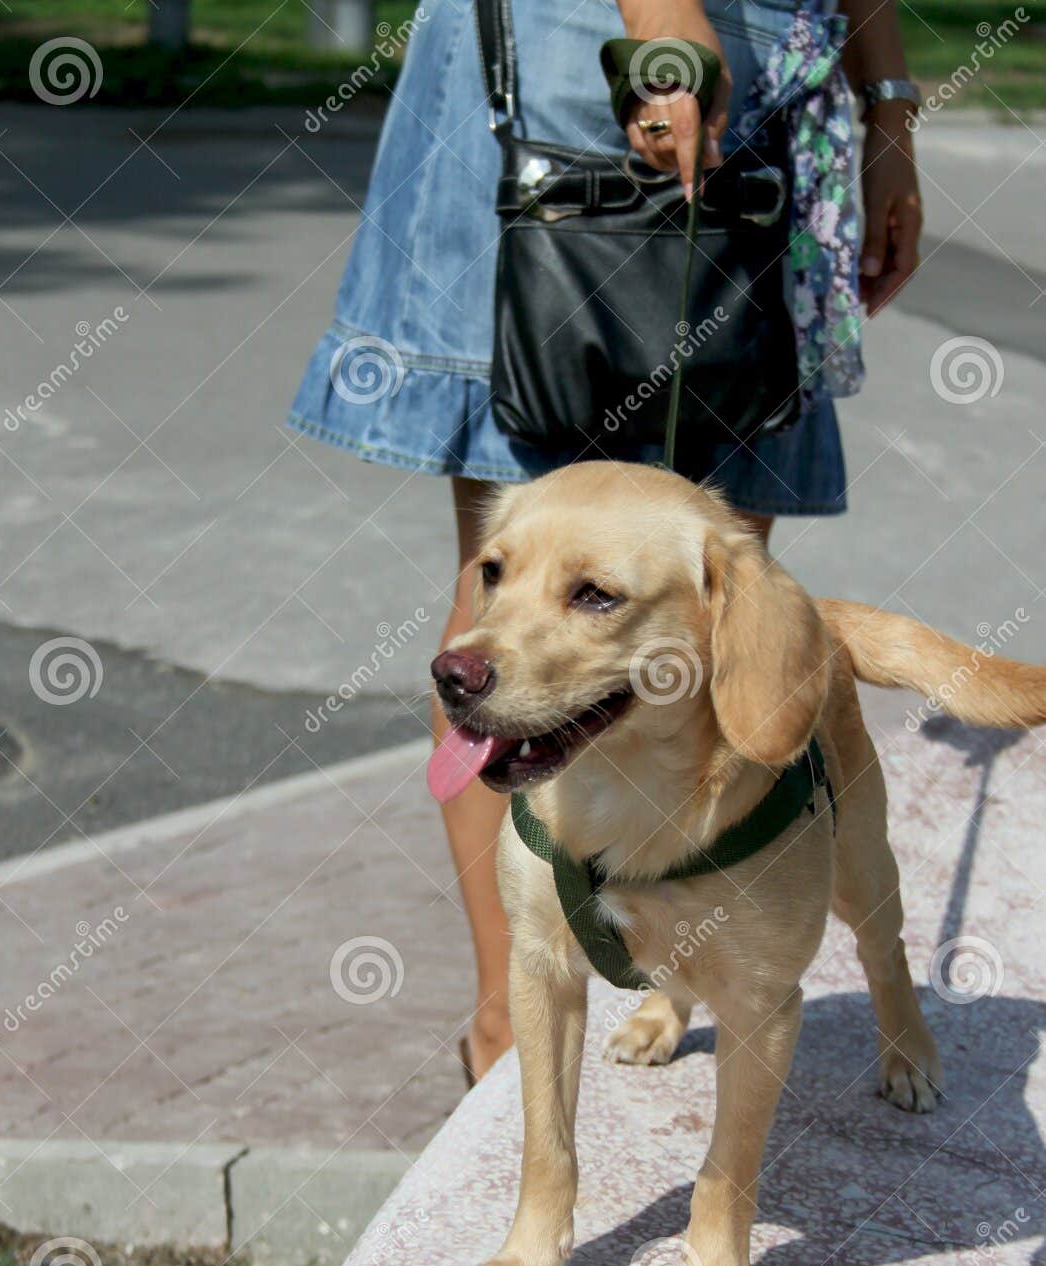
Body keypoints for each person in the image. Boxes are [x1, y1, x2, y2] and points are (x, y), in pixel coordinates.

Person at [289, 0, 923, 1082]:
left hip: (771, 75)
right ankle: (509, 1025)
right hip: (579, 59)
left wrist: (885, 109)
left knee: (708, 621)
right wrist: (665, 20)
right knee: (523, 600)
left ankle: (680, 970)